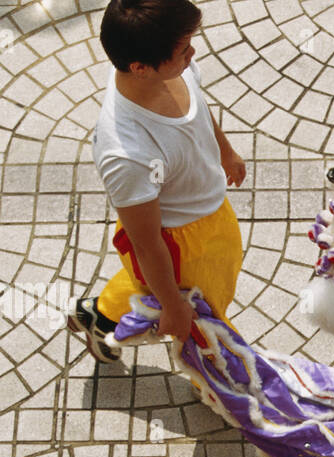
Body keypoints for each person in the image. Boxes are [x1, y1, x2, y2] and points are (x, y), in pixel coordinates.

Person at [70, 0, 247, 363]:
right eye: (183, 50)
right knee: (203, 314)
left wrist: (225, 151)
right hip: (180, 242)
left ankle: (99, 315)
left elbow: (197, 106)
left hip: (210, 213)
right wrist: (173, 308)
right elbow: (147, 245)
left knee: (204, 285)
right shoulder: (127, 154)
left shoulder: (171, 67)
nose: (193, 54)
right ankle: (216, 374)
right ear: (140, 68)